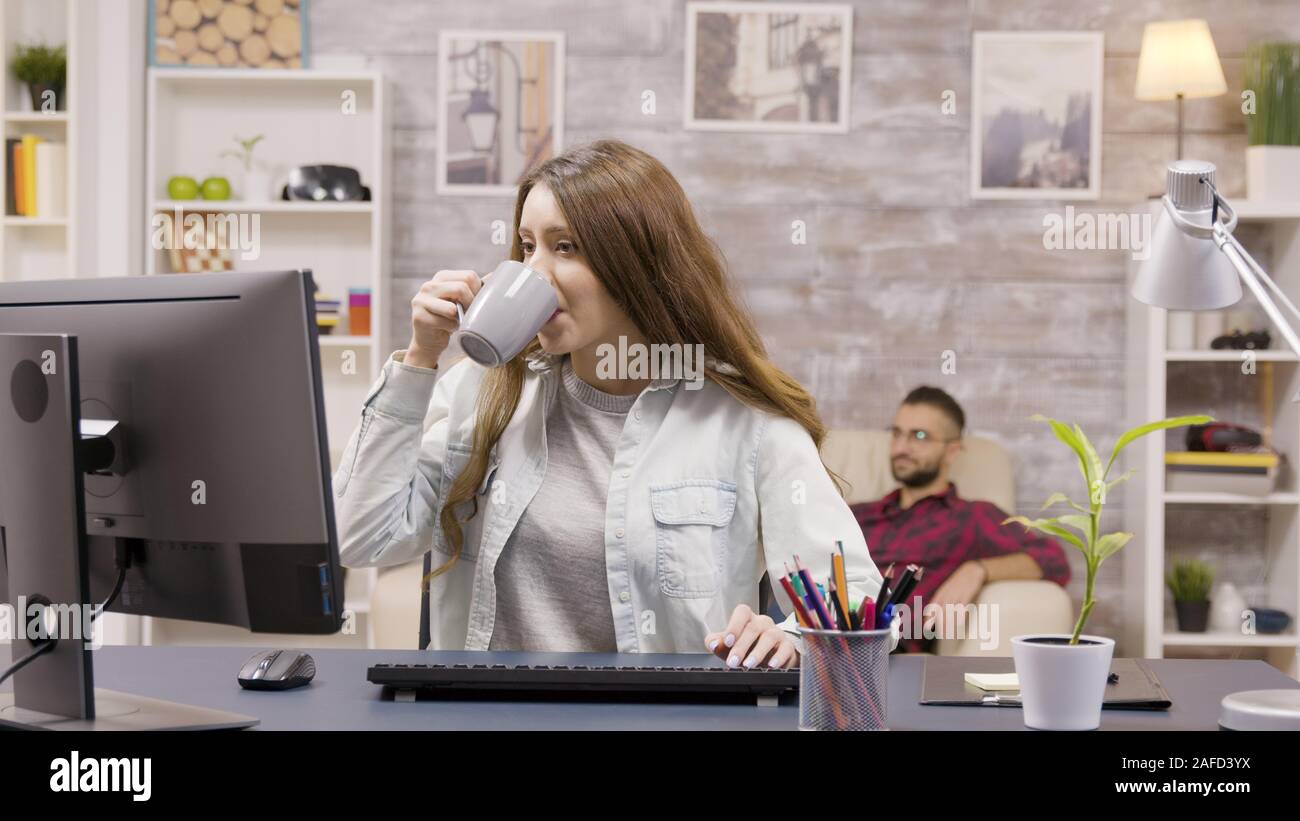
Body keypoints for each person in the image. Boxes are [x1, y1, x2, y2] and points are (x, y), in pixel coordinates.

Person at [333, 139, 889, 668]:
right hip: (486, 718)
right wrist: (419, 359)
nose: (533, 273)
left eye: (565, 247)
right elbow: (362, 539)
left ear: (637, 267)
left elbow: (861, 605)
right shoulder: (477, 393)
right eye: (527, 246)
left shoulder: (745, 423)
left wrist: (790, 637)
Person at [851, 386, 1071, 652]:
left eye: (918, 436)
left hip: (883, 654)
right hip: (815, 635)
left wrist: (977, 570)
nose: (901, 447)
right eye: (896, 433)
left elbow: (1053, 560)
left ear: (952, 451)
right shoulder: (857, 514)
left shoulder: (971, 518)